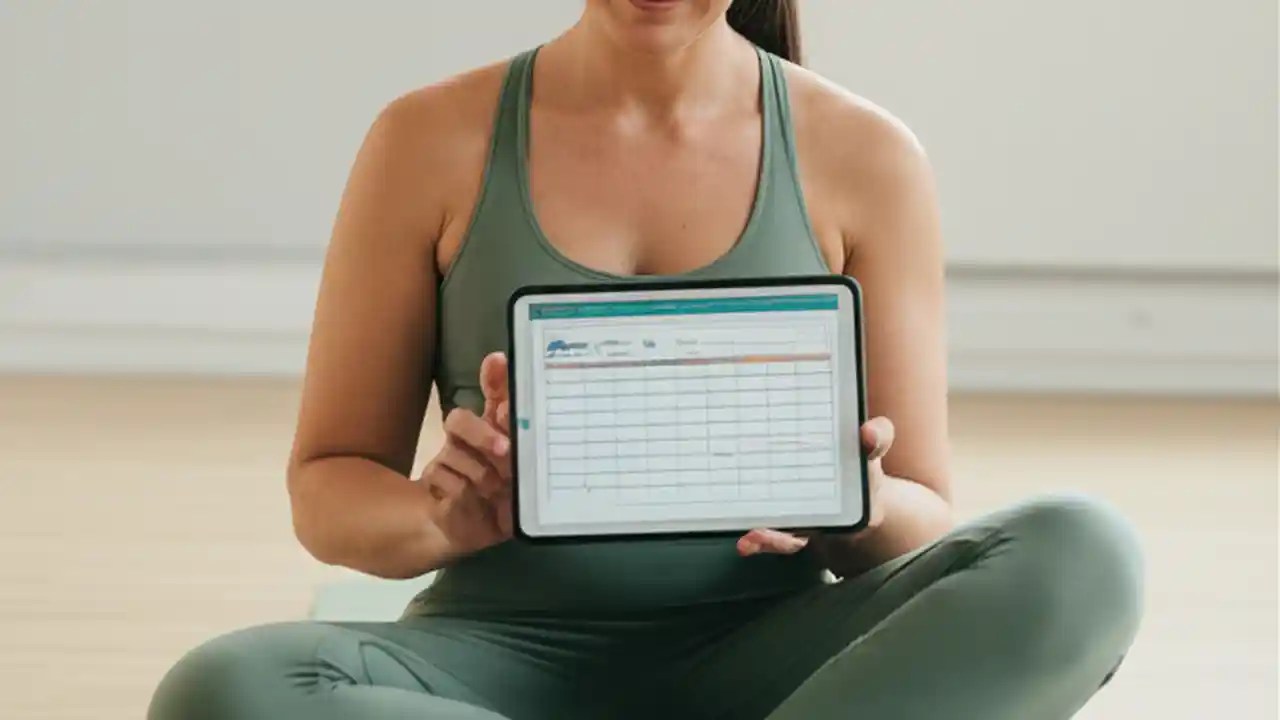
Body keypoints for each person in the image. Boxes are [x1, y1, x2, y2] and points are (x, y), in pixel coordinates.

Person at [148, 1, 1143, 718]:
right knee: (221, 691)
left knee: (1083, 550)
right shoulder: (426, 140)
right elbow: (325, 488)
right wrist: (435, 516)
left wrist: (859, 500)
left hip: (780, 666)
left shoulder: (865, 154)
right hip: (491, 665)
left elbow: (923, 510)